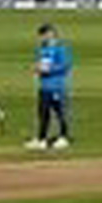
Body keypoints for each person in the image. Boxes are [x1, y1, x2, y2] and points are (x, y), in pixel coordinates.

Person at [32, 23, 72, 151]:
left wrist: (49, 70)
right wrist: (37, 69)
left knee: (60, 112)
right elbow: (40, 64)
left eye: (44, 35)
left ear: (51, 34)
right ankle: (42, 139)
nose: (42, 38)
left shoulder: (61, 49)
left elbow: (65, 67)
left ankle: (63, 137)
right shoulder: (42, 50)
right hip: (44, 86)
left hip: (56, 86)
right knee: (43, 113)